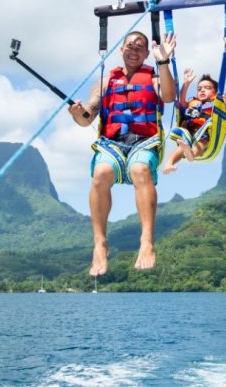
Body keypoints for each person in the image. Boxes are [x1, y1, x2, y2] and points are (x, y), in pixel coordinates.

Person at [69, 30, 176, 276]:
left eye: (140, 47)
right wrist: (77, 113)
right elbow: (87, 118)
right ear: (121, 49)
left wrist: (163, 62)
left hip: (145, 141)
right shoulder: (106, 82)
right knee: (101, 173)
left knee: (140, 170)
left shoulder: (154, 77)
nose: (134, 50)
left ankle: (147, 241)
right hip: (112, 144)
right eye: (130, 45)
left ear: (147, 53)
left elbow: (168, 97)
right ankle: (99, 244)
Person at [162, 69, 221, 174]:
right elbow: (180, 102)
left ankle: (192, 154)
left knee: (201, 143)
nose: (202, 90)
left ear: (215, 92)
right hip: (187, 132)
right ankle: (169, 163)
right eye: (199, 89)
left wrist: (223, 100)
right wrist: (186, 83)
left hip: (203, 131)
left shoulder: (216, 103)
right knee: (182, 146)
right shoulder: (192, 102)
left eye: (207, 88)